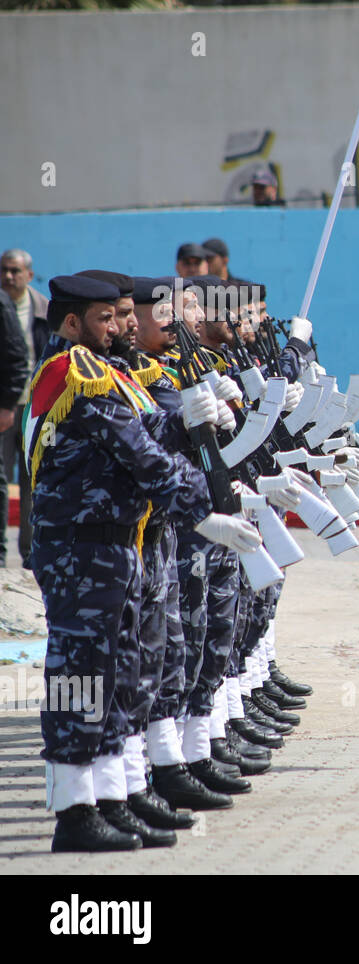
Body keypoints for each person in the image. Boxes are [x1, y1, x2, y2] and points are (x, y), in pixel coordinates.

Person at [27, 274, 258, 852]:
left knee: (125, 673)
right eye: (109, 317)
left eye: (125, 315)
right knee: (81, 677)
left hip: (116, 545)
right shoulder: (75, 376)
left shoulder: (108, 377)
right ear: (73, 322)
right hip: (83, 550)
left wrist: (185, 418)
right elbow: (143, 459)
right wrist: (208, 512)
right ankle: (74, 811)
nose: (125, 325)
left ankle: (114, 793)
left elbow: (148, 432)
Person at [1, 249, 48, 567]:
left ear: (29, 275)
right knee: (2, 476)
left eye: (15, 271)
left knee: (33, 479)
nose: (8, 276)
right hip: (6, 406)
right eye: (4, 270)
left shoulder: (44, 309)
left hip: (36, 407)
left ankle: (30, 554)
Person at [0, 287, 28, 567]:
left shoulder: (2, 303)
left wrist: (7, 405)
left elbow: (18, 358)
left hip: (17, 407)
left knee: (18, 480)